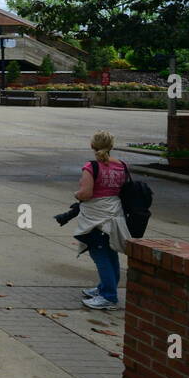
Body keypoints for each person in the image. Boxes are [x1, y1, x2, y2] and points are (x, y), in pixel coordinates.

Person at [69, 131, 132, 310]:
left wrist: (76, 194)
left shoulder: (92, 167)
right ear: (111, 146)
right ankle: (104, 288)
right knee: (110, 252)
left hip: (96, 216)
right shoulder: (122, 166)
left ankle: (109, 296)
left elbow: (86, 193)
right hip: (114, 212)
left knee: (99, 254)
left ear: (92, 146)